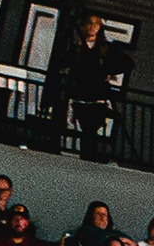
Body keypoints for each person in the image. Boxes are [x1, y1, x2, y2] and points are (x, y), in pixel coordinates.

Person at [47, 17, 132, 160]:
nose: (92, 27)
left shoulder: (106, 48)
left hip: (97, 97)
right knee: (83, 127)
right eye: (89, 23)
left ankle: (88, 156)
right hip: (80, 95)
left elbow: (128, 63)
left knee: (90, 129)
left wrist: (108, 71)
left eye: (96, 24)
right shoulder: (76, 47)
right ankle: (83, 155)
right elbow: (62, 64)